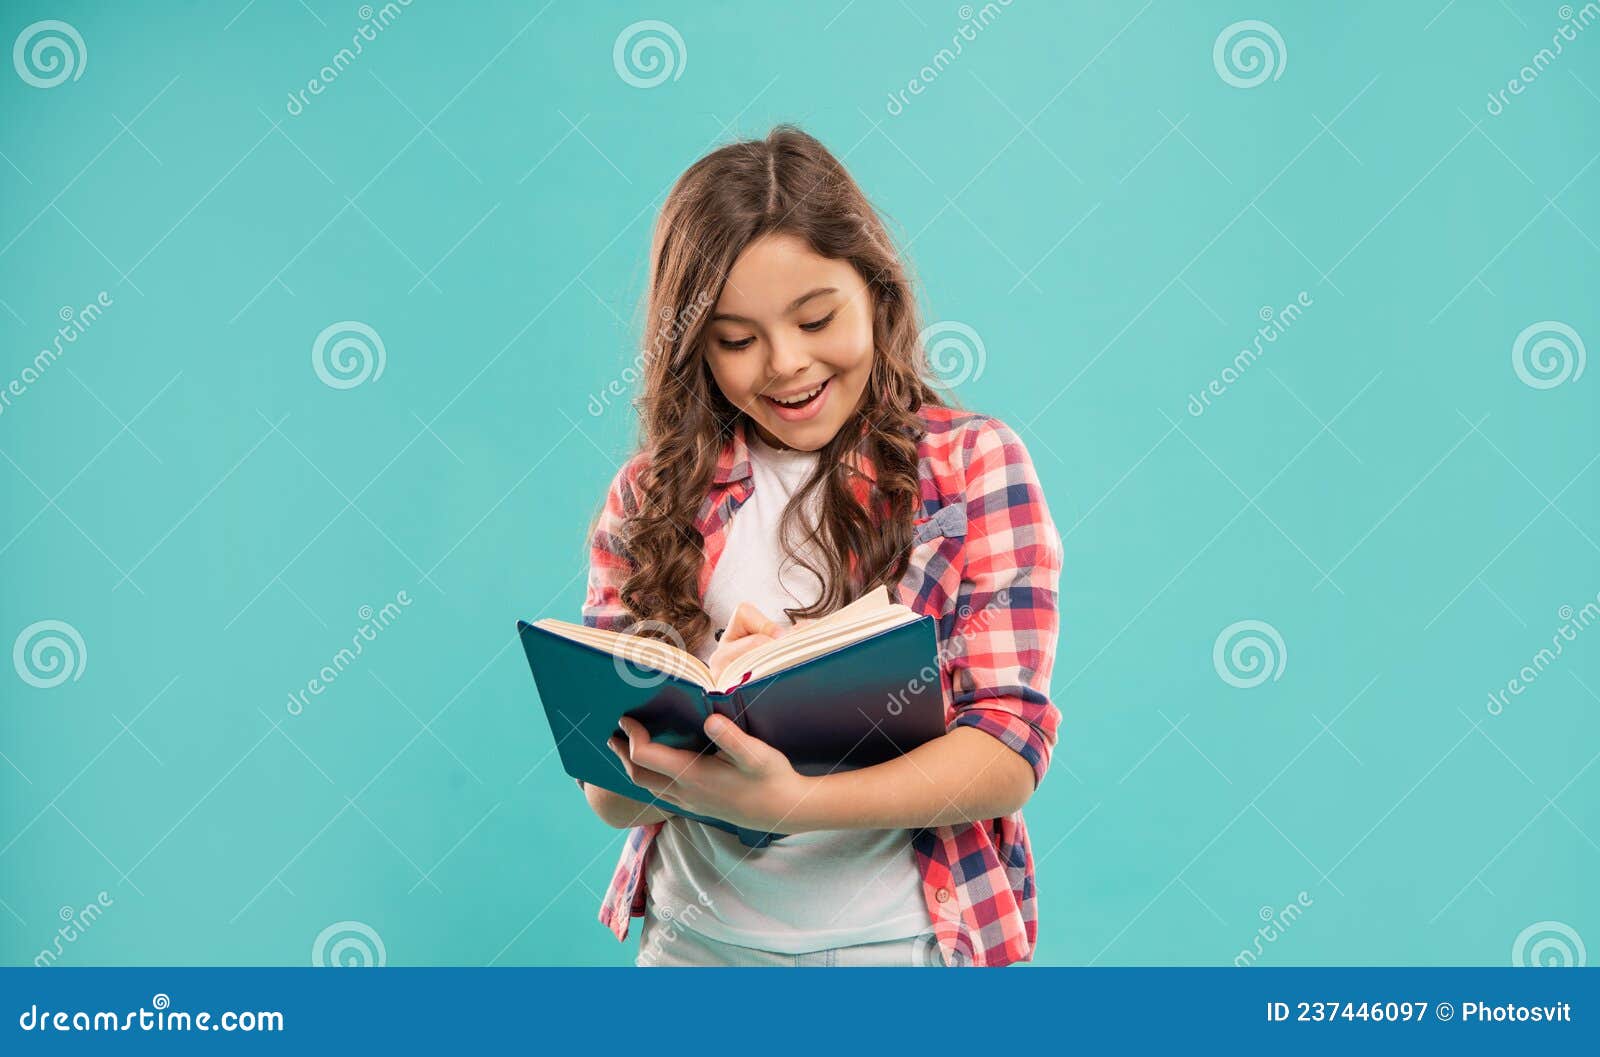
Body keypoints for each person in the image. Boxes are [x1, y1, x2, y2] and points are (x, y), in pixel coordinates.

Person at [577, 124, 1063, 967]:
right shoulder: (649, 497)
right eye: (737, 339)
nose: (787, 364)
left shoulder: (975, 467)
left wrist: (793, 803)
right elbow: (610, 798)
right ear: (696, 347)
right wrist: (713, 705)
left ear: (873, 289)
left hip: (899, 947)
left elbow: (1007, 748)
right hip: (693, 950)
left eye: (815, 317)